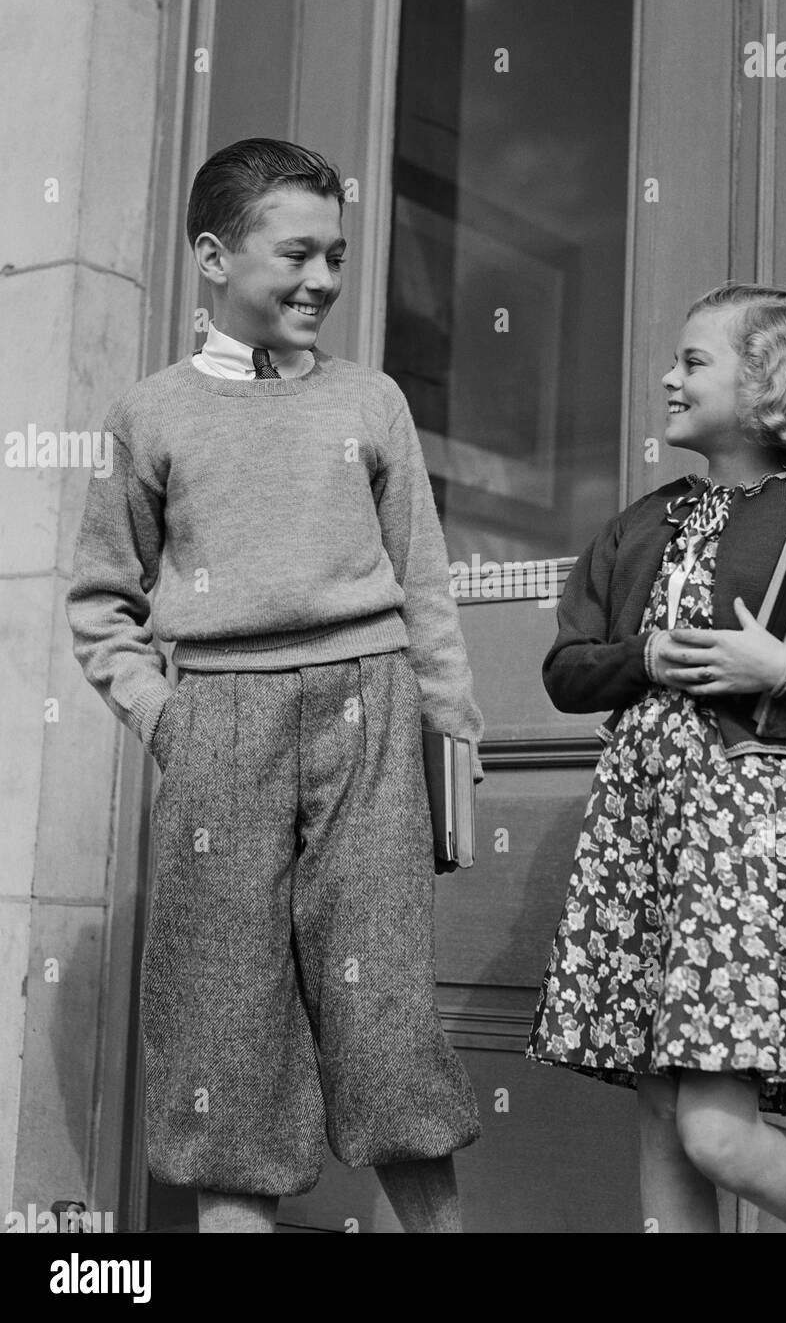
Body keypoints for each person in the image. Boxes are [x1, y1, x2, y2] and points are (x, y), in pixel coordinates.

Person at [65, 137, 483, 1233]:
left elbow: (424, 580)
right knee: (223, 1028)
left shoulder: (370, 399)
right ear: (214, 255)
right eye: (297, 253)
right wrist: (169, 720)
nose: (324, 280)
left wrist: (450, 728)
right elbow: (103, 600)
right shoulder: (150, 412)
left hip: (369, 713)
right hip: (218, 725)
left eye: (336, 256)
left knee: (384, 1016)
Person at [526, 283, 786, 1233]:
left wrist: (784, 665)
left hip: (746, 825)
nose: (667, 378)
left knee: (716, 1132)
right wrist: (641, 657)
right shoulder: (633, 525)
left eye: (693, 362)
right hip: (639, 826)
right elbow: (564, 670)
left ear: (767, 383)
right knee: (663, 1109)